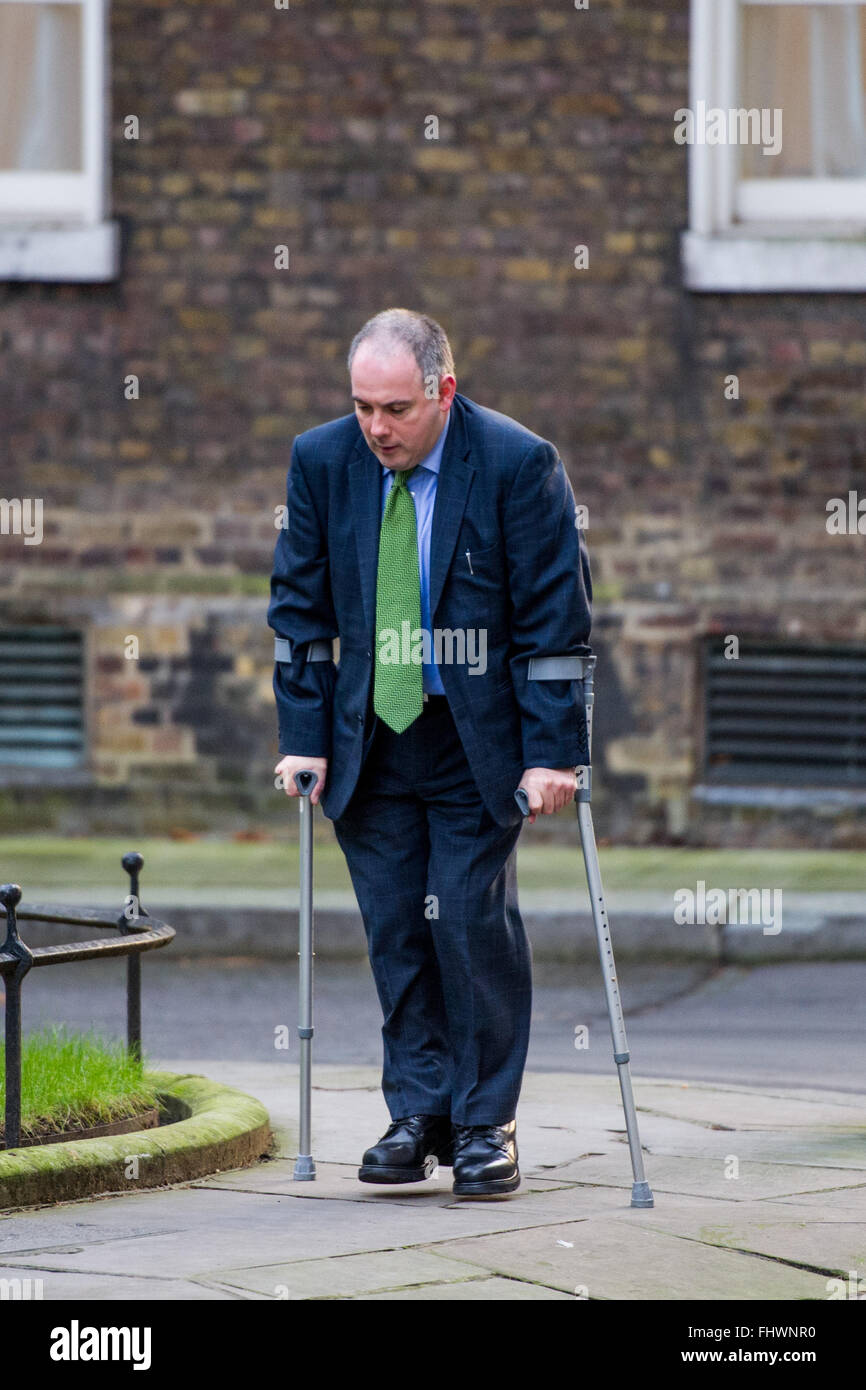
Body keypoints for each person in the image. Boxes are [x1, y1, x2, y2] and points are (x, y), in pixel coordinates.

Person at [269, 308, 592, 1196]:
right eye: (364, 407)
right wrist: (304, 736)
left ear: (444, 391)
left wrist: (554, 753)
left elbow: (555, 622)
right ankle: (419, 1112)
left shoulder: (518, 464)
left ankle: (486, 1123)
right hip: (367, 738)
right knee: (396, 930)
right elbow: (298, 617)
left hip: (475, 742)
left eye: (397, 409)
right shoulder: (323, 460)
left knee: (469, 922)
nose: (377, 428)